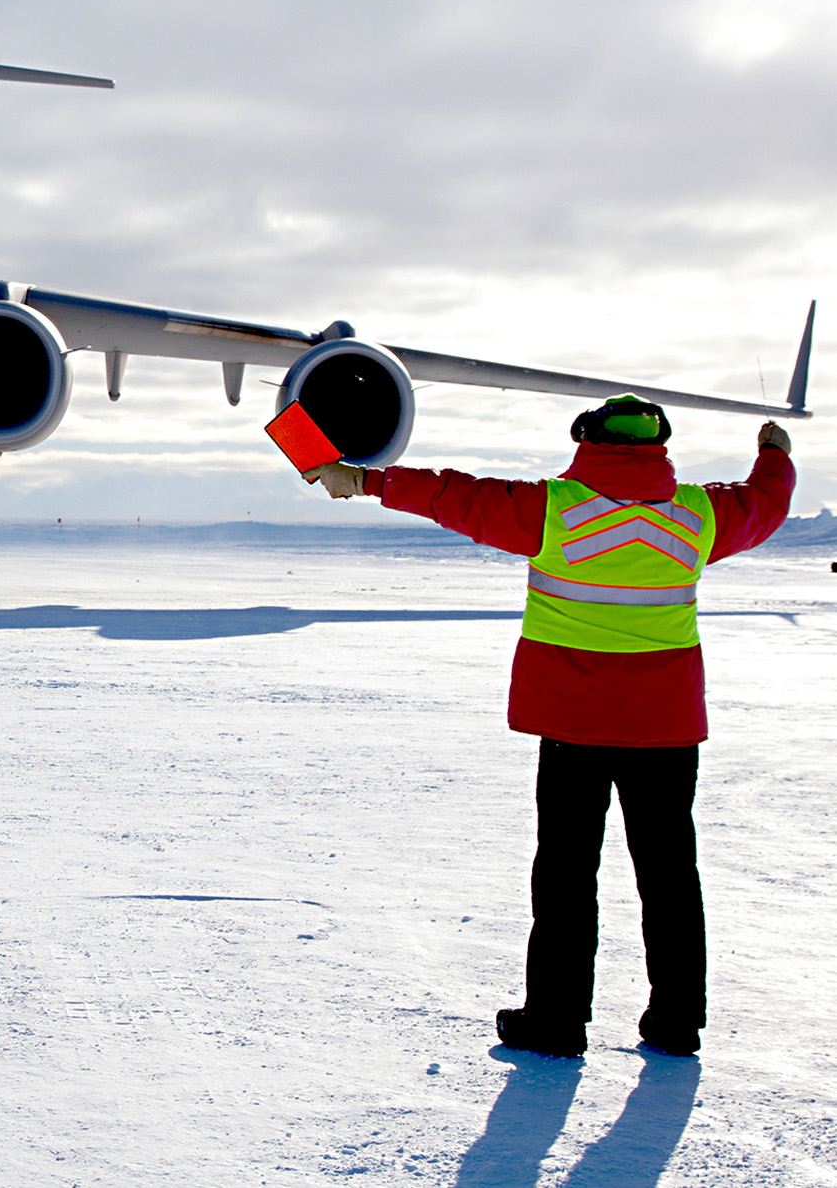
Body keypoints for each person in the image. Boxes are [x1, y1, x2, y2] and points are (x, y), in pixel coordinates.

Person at [305, 396, 795, 1058]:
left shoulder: (556, 512)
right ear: (658, 445)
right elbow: (765, 503)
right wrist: (775, 453)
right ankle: (677, 1022)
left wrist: (366, 479)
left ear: (588, 438)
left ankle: (557, 1021)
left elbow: (457, 498)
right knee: (671, 875)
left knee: (566, 874)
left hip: (574, 727)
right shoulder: (698, 516)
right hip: (666, 731)